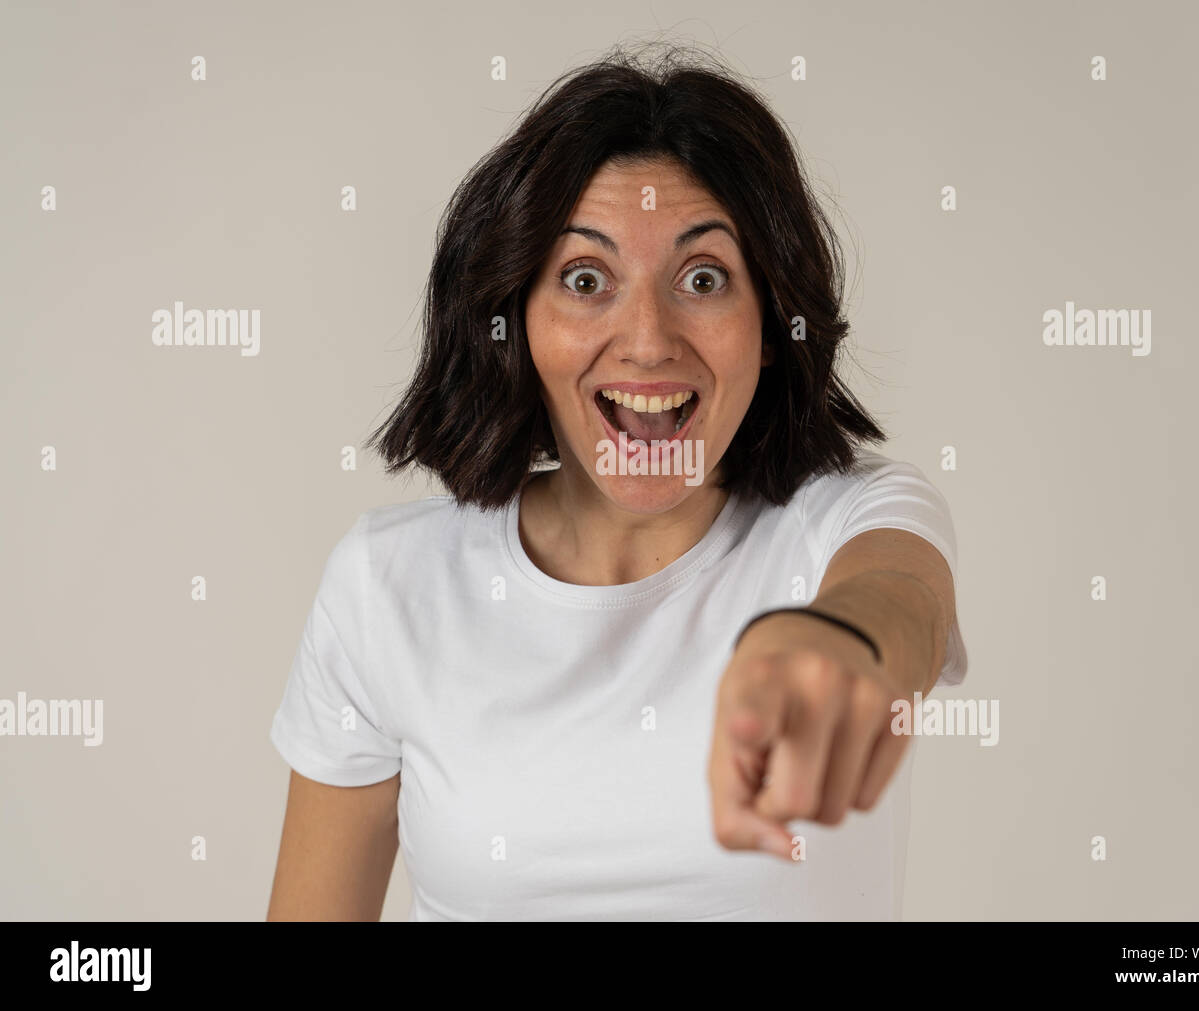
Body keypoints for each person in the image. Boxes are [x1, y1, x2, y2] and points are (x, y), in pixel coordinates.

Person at [267, 43, 968, 921]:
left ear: (768, 321)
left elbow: (901, 595)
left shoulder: (850, 516)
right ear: (514, 318)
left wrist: (843, 646)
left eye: (703, 278)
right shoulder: (387, 585)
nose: (646, 339)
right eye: (586, 279)